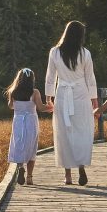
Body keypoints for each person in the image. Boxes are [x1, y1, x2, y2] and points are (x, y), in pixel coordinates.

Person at [42, 20, 97, 186]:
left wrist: (48, 97)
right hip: (81, 94)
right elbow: (90, 77)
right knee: (82, 130)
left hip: (62, 94)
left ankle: (68, 176)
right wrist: (94, 98)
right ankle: (81, 165)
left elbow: (50, 76)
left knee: (64, 132)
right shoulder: (85, 53)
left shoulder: (55, 52)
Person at [5, 68, 40, 186]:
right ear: (32, 79)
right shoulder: (35, 92)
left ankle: (20, 167)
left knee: (19, 144)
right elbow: (40, 107)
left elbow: (10, 106)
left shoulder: (13, 92)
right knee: (31, 146)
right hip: (31, 121)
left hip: (18, 121)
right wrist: (50, 107)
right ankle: (29, 177)